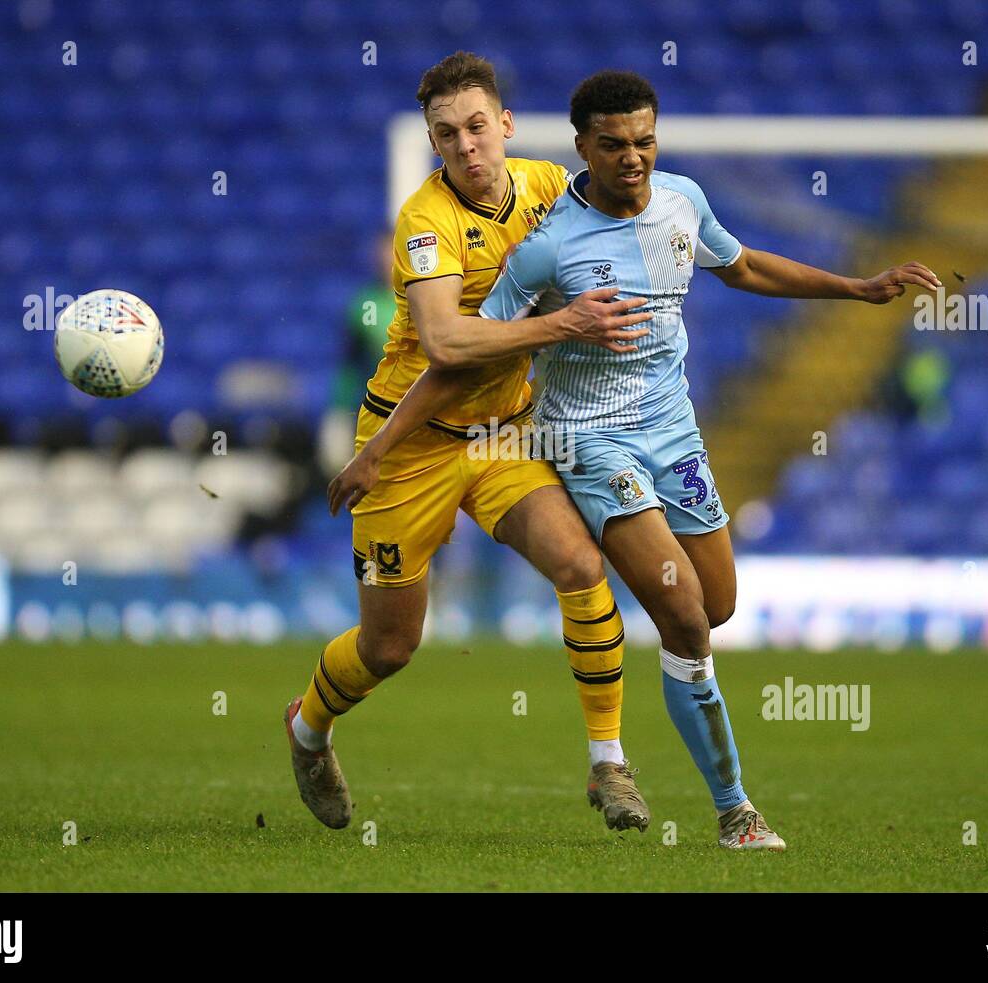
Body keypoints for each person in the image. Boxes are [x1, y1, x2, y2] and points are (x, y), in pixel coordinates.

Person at [332, 70, 941, 850]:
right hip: (585, 439)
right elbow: (453, 355)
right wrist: (379, 447)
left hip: (674, 434)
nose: (633, 158)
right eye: (614, 145)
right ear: (582, 148)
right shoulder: (547, 245)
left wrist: (857, 287)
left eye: (645, 141)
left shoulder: (682, 200)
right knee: (681, 613)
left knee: (714, 607)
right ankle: (732, 808)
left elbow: (743, 265)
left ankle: (649, 741)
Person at [286, 53, 659, 835]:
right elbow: (449, 345)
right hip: (405, 443)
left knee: (579, 564)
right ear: (431, 142)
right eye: (446, 133)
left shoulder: (552, 188)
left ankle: (609, 761)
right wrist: (564, 324)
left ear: (507, 125)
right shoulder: (424, 223)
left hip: (502, 436)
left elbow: (618, 242)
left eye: (477, 126)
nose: (465, 145)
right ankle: (308, 729)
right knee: (391, 647)